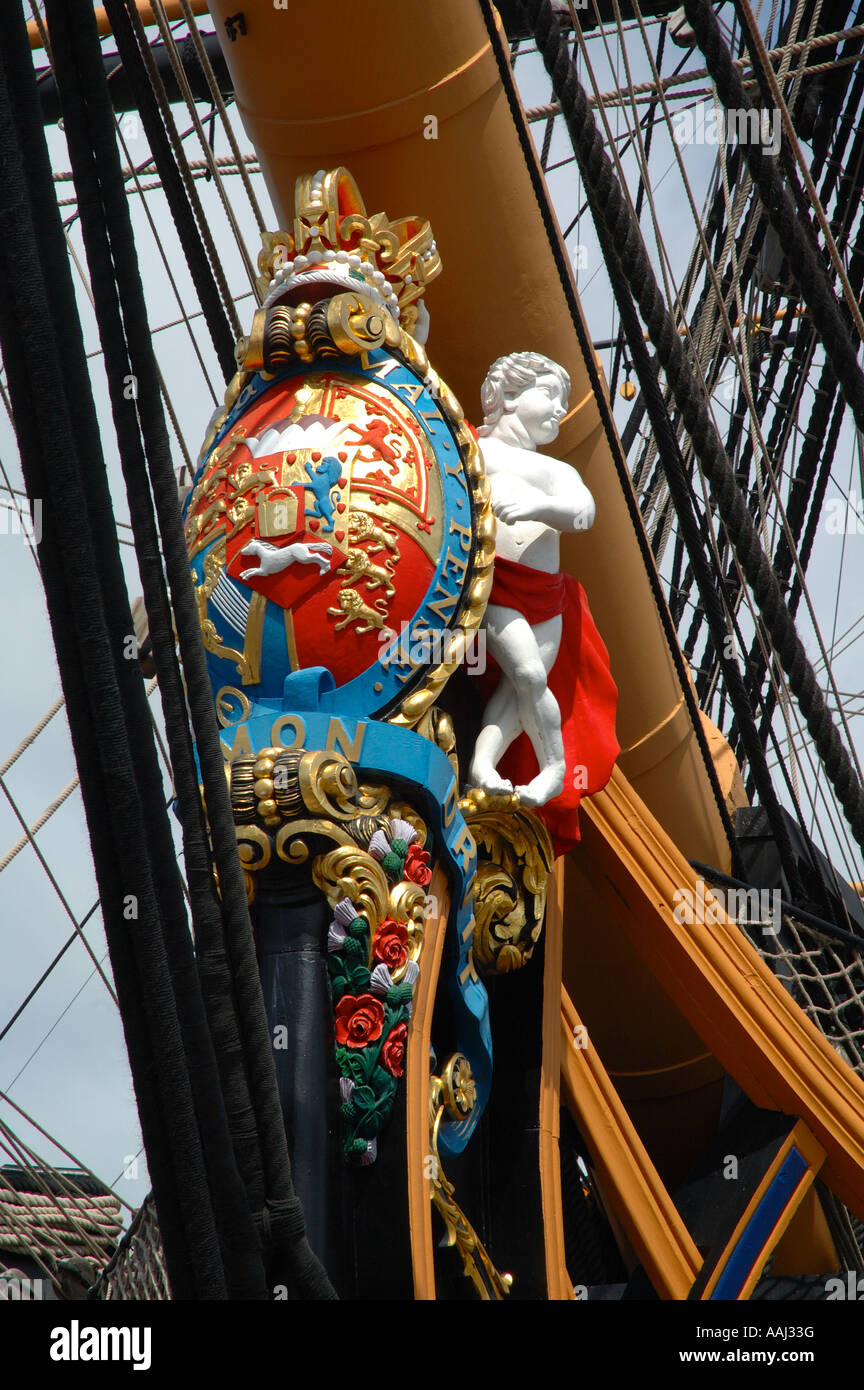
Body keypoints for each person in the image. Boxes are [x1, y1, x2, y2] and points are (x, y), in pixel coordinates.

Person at [468, 351, 619, 852]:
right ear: (509, 395)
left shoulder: (553, 469)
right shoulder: (472, 450)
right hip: (497, 585)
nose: (560, 410)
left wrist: (538, 506)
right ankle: (554, 765)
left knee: (516, 693)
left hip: (547, 597)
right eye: (551, 396)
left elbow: (583, 513)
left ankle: (483, 763)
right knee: (529, 674)